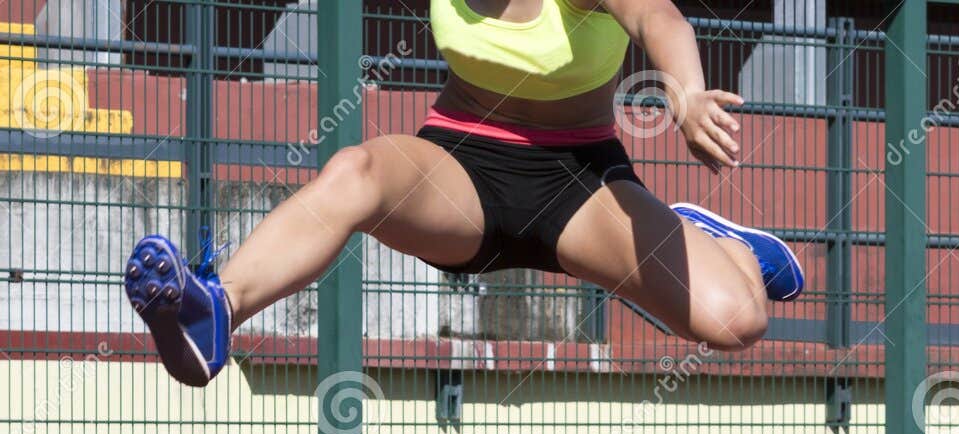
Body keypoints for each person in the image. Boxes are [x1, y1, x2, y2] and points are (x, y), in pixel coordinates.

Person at [124, 0, 804, 389]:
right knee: (357, 171)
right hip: (461, 164)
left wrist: (686, 96)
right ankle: (215, 307)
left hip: (577, 182)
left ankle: (719, 242)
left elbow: (662, 20)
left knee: (736, 321)